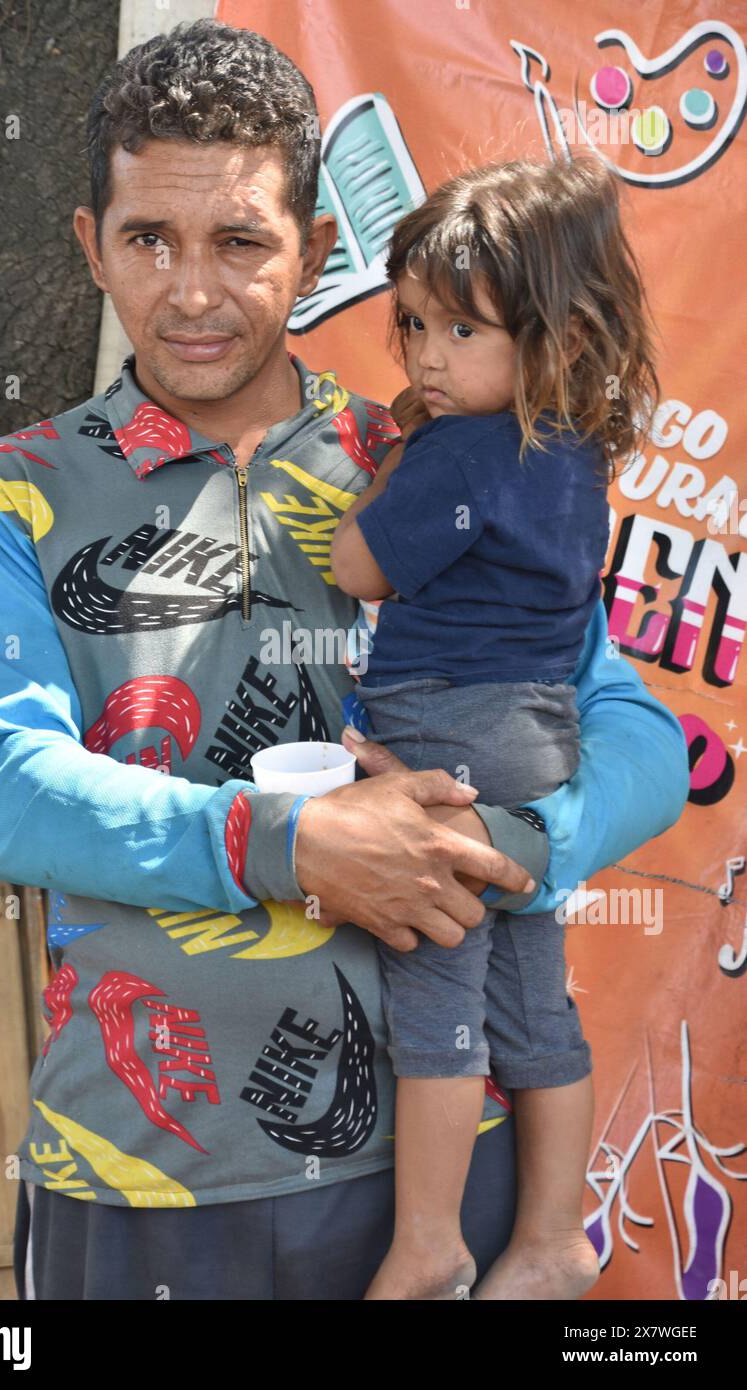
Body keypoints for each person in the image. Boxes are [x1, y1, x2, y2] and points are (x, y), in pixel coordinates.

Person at [0, 20, 690, 1301]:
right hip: (130, 1177)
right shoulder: (8, 495)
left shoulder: (439, 455)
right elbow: (10, 794)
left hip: (430, 1189)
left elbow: (634, 733)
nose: (191, 292)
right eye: (147, 241)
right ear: (89, 246)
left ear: (319, 251)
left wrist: (523, 844)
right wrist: (290, 842)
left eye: (240, 242)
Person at [331, 156, 669, 1301]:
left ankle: (429, 1241)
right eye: (413, 323)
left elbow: (356, 565)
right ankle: (554, 1236)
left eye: (458, 332)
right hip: (541, 740)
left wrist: (389, 469)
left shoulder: (462, 451)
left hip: (448, 737)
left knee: (436, 989)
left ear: (558, 342)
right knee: (535, 1000)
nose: (424, 357)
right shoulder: (575, 456)